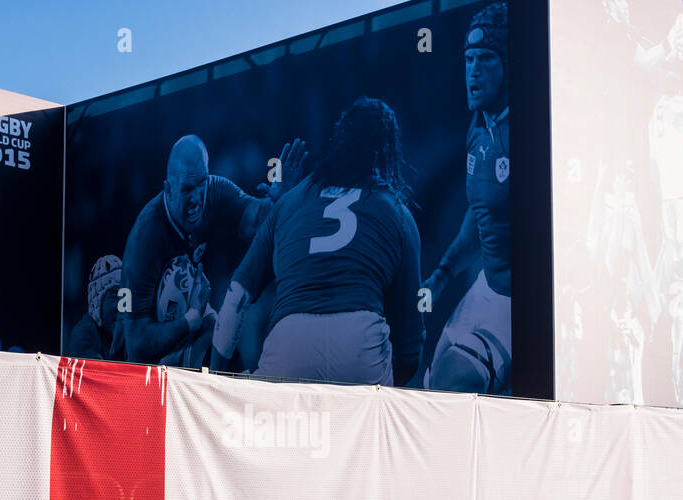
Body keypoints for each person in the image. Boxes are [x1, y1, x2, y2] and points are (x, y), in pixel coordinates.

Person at [211, 96, 423, 387]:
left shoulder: (289, 201)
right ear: (387, 152)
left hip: (289, 345)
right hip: (360, 347)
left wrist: (217, 382)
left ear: (337, 140)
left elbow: (236, 297)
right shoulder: (397, 212)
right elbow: (411, 350)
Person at [119, 133, 306, 368]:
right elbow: (136, 345)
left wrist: (281, 200)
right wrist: (190, 319)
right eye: (187, 188)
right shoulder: (145, 239)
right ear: (168, 189)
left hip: (191, 310)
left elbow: (258, 221)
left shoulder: (215, 190)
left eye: (201, 183)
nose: (197, 198)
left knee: (228, 359)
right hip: (146, 351)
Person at [422, 3, 512, 394]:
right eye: (468, 59)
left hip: (518, 302)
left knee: (449, 384)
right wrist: (442, 276)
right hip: (484, 286)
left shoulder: (529, 131)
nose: (473, 70)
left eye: (486, 58)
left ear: (510, 65)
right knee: (429, 386)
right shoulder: (478, 126)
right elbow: (479, 217)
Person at [66, 254, 122, 360]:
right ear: (97, 303)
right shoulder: (83, 335)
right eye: (114, 297)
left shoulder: (127, 335)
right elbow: (96, 375)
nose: (120, 307)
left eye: (124, 297)